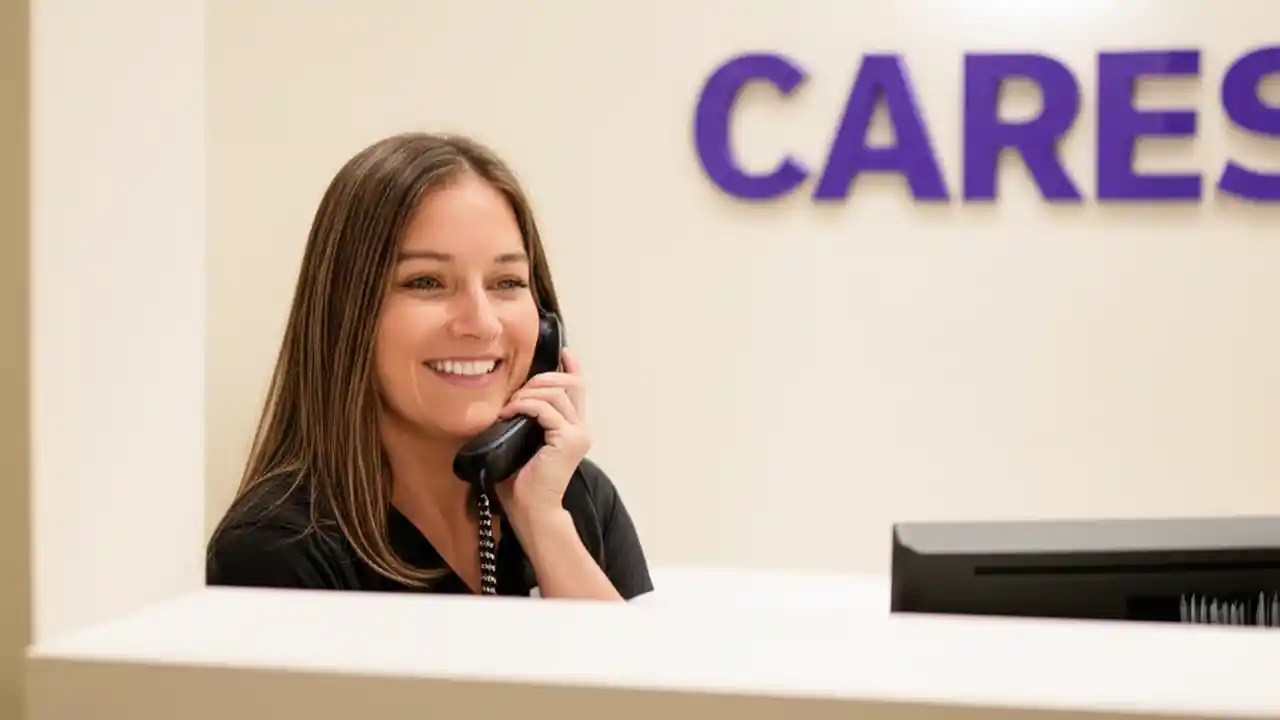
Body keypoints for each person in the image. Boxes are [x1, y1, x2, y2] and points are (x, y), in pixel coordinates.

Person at [206, 132, 652, 600]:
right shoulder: (274, 550)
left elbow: (630, 674)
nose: (481, 323)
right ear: (348, 316)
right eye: (426, 282)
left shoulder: (573, 496)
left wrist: (543, 526)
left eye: (506, 282)